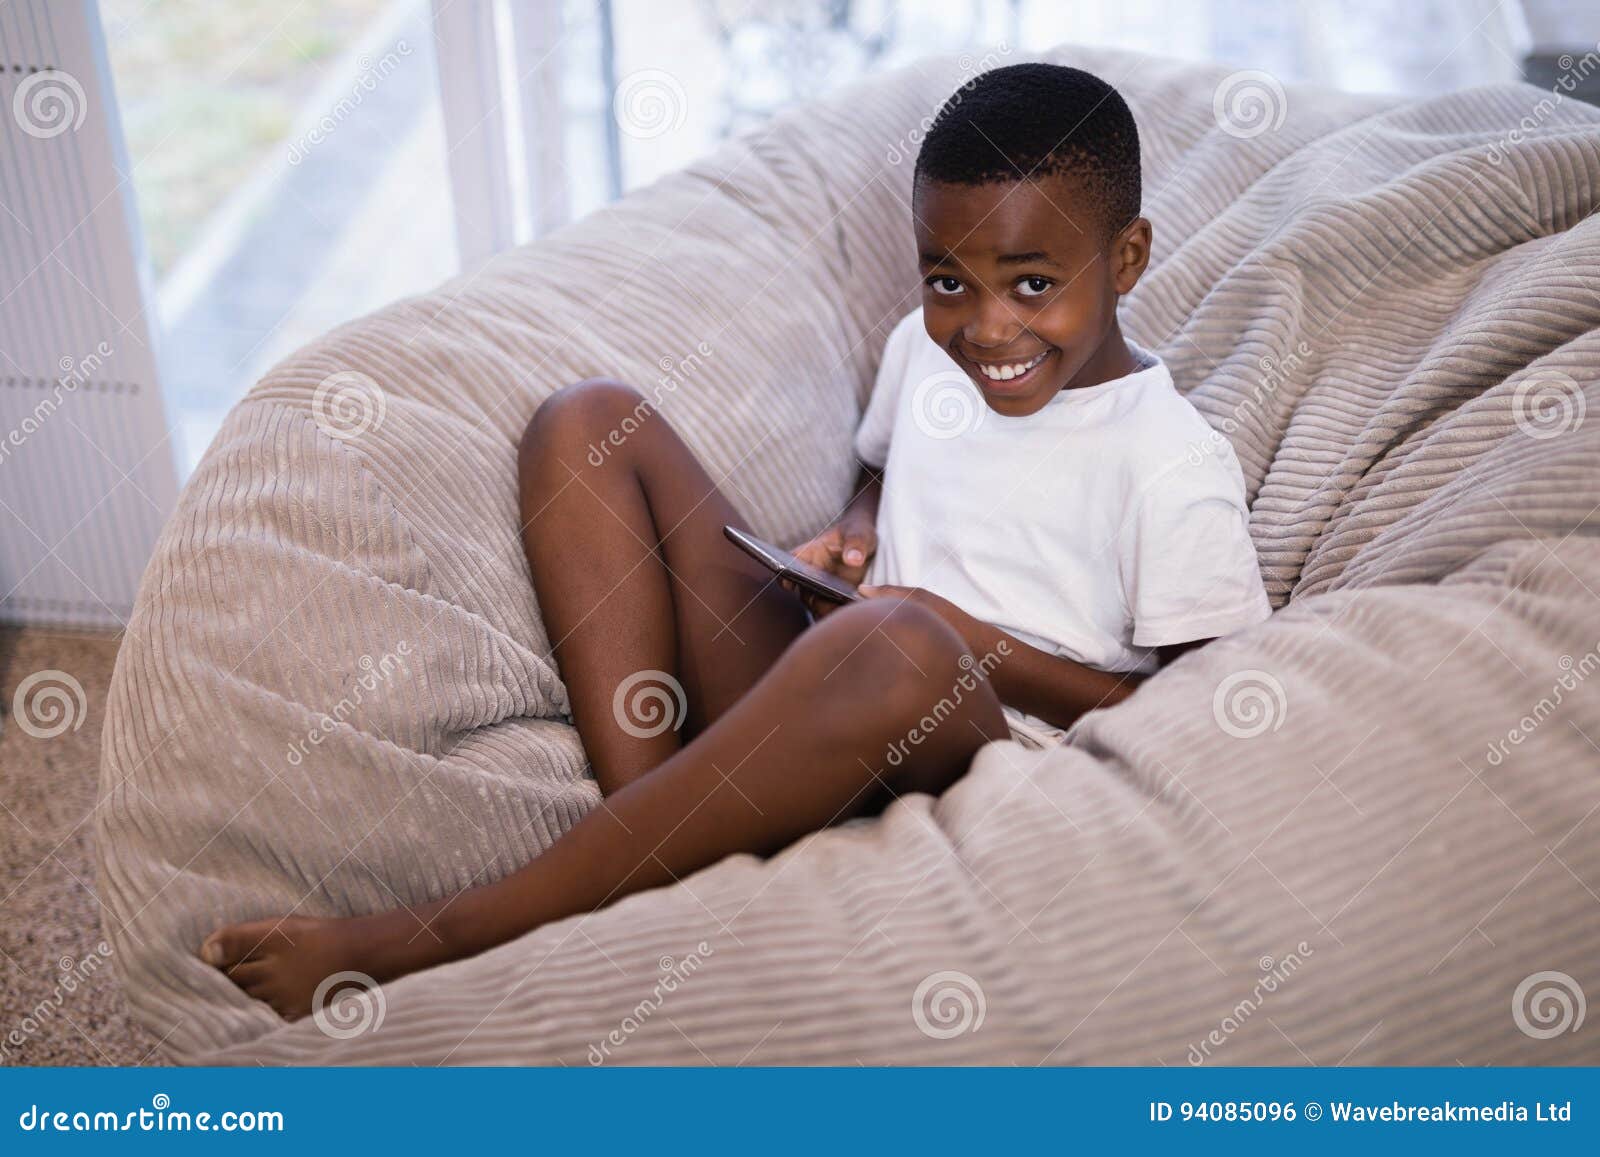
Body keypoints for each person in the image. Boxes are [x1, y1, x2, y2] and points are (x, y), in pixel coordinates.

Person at [201, 63, 1269, 1019]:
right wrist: (853, 535)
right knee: (587, 422)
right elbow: (887, 465)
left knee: (896, 645)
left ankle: (436, 935)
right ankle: (655, 839)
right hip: (824, 684)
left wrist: (964, 640)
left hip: (972, 757)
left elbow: (1191, 722)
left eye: (1032, 283)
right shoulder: (925, 351)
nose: (985, 326)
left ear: (1124, 259)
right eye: (948, 278)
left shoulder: (1168, 461)